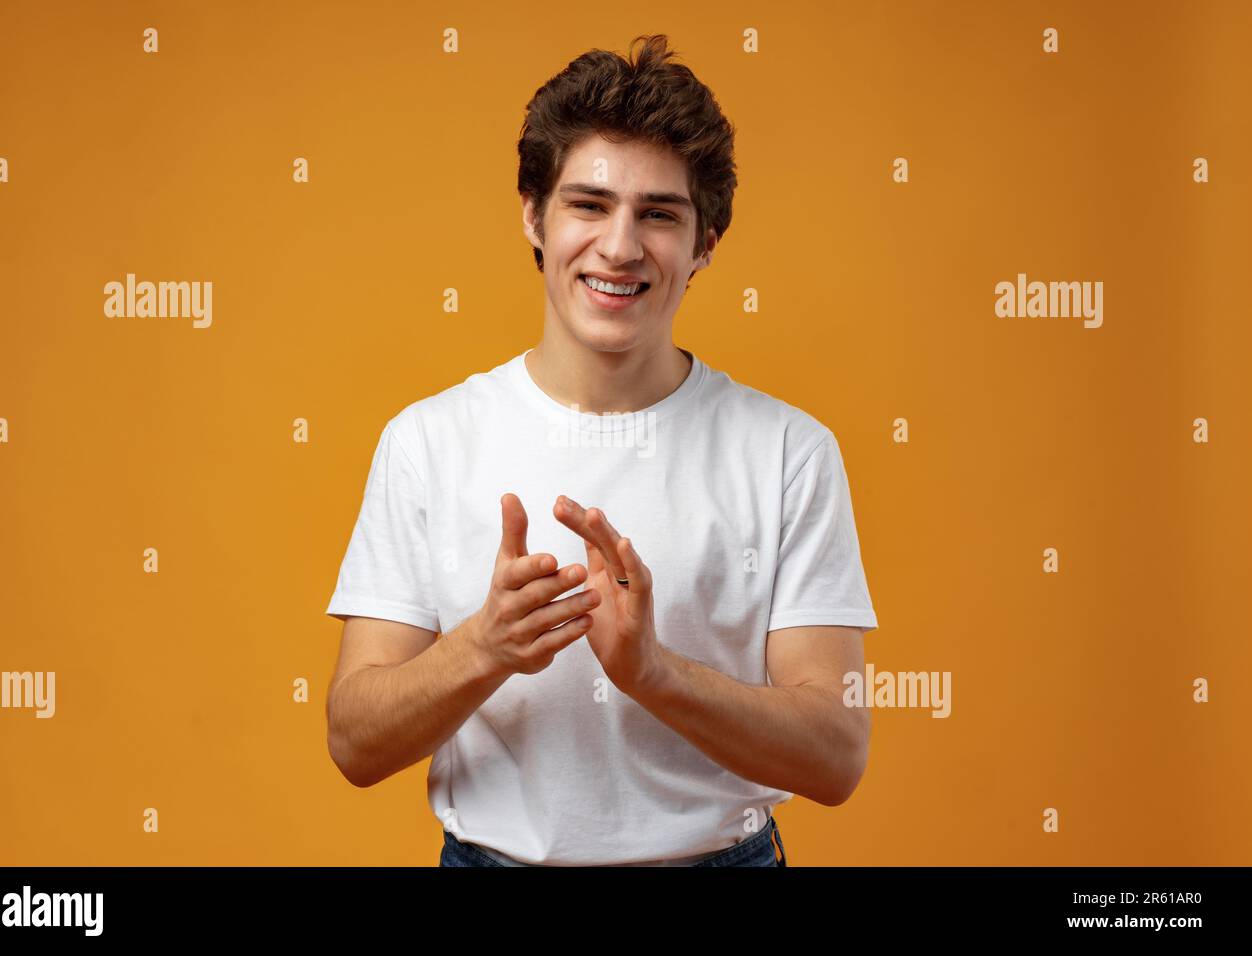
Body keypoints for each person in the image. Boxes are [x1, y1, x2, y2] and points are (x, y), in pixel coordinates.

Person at [323, 34, 878, 867]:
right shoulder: (427, 442)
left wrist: (653, 672)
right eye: (588, 204)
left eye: (660, 214)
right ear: (533, 215)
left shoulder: (789, 451)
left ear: (707, 243)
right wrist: (484, 647)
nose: (620, 247)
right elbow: (354, 742)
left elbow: (836, 755)